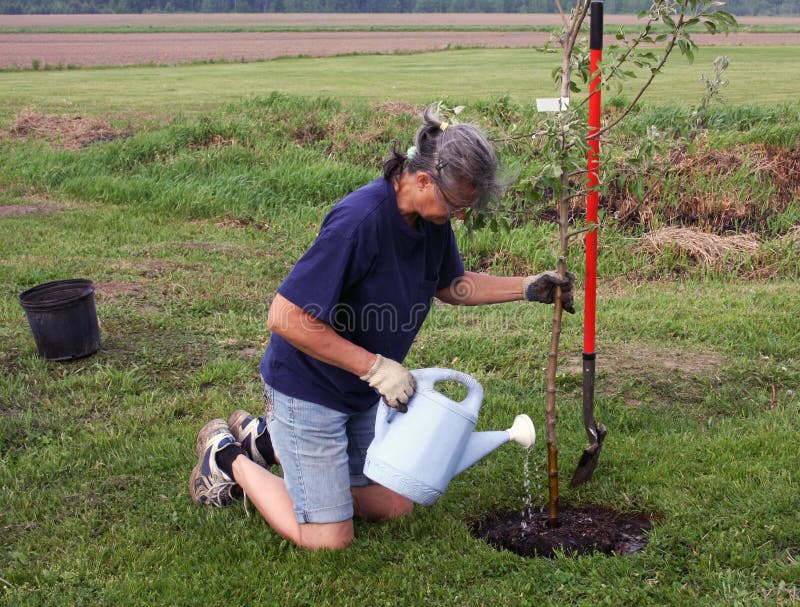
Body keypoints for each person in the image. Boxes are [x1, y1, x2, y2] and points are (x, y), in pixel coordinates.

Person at [189, 103, 575, 550]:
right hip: (309, 388)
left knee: (395, 503)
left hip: (358, 395)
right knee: (329, 539)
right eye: (456, 204)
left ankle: (271, 445)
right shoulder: (359, 222)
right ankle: (228, 457)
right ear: (424, 179)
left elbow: (453, 285)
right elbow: (285, 317)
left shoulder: (431, 220)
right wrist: (375, 369)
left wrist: (528, 287)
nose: (459, 215)